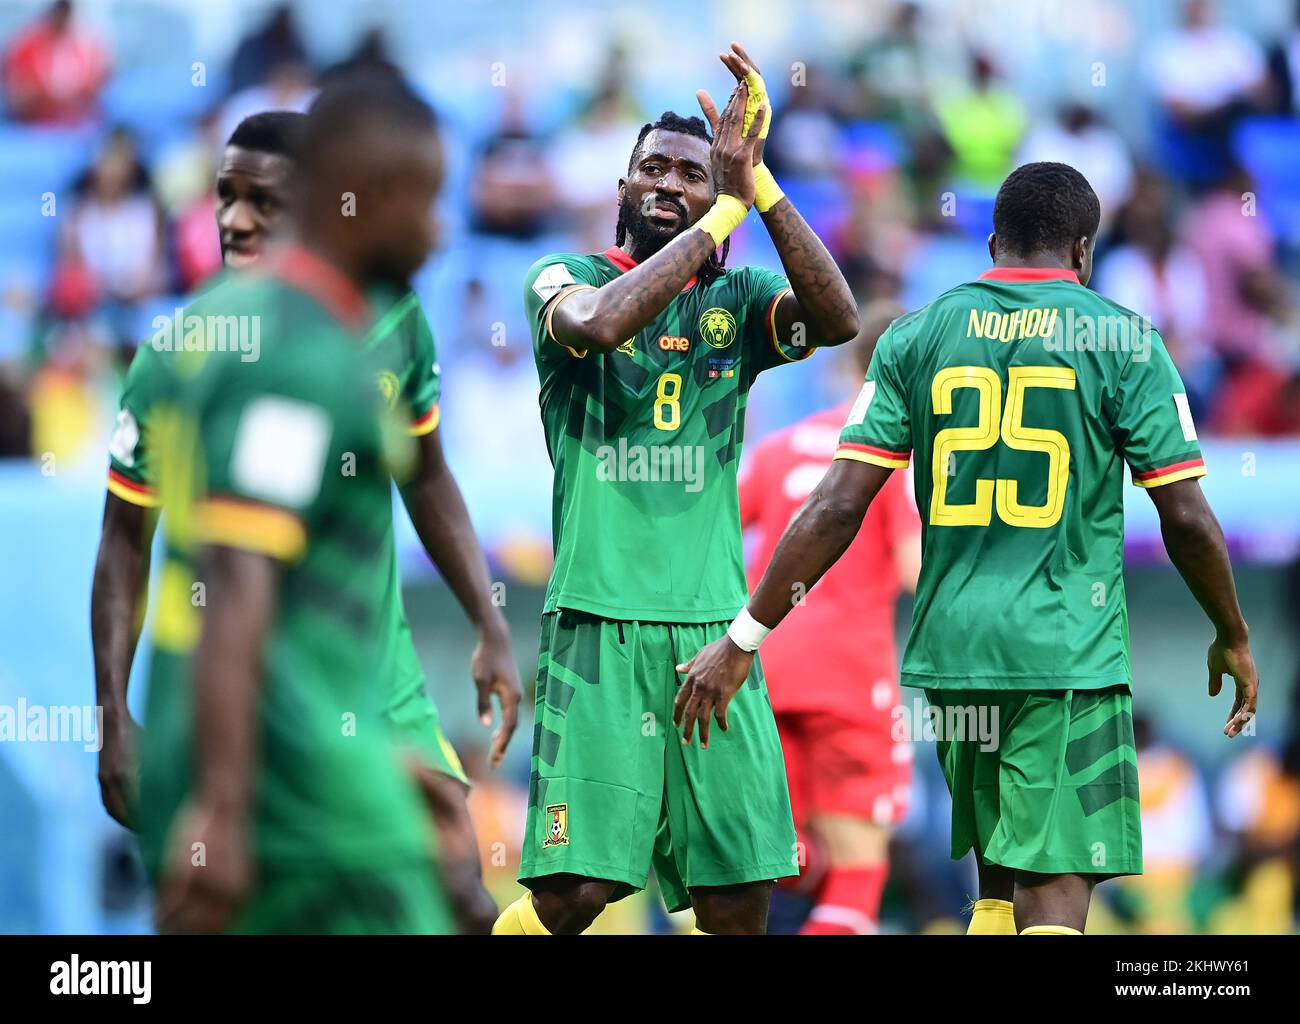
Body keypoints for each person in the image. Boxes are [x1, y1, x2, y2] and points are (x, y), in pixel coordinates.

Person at [676, 161, 1260, 935]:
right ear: (1083, 251)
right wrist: (1232, 632)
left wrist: (745, 637)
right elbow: (1183, 517)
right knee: (1051, 895)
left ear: (993, 243)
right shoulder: (1125, 341)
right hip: (1063, 651)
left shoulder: (918, 335)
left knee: (995, 887)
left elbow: (838, 503)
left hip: (953, 658)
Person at [494, 42, 859, 937]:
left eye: (690, 176)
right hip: (598, 621)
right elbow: (603, 324)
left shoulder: (740, 296)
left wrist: (760, 188)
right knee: (573, 893)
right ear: (621, 191)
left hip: (712, 628)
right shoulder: (566, 278)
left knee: (739, 899)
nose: (666, 183)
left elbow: (839, 320)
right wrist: (719, 211)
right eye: (649, 169)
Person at [133, 75, 473, 934]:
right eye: (424, 199)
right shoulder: (300, 355)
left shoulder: (258, 328)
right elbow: (237, 577)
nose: (436, 231)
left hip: (302, 759)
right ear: (366, 190)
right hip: (300, 801)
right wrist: (224, 804)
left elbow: (288, 599)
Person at [737, 300, 921, 934]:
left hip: (761, 673)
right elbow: (914, 569)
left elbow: (712, 541)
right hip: (849, 683)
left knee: (779, 862)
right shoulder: (896, 458)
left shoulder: (778, 449)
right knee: (860, 867)